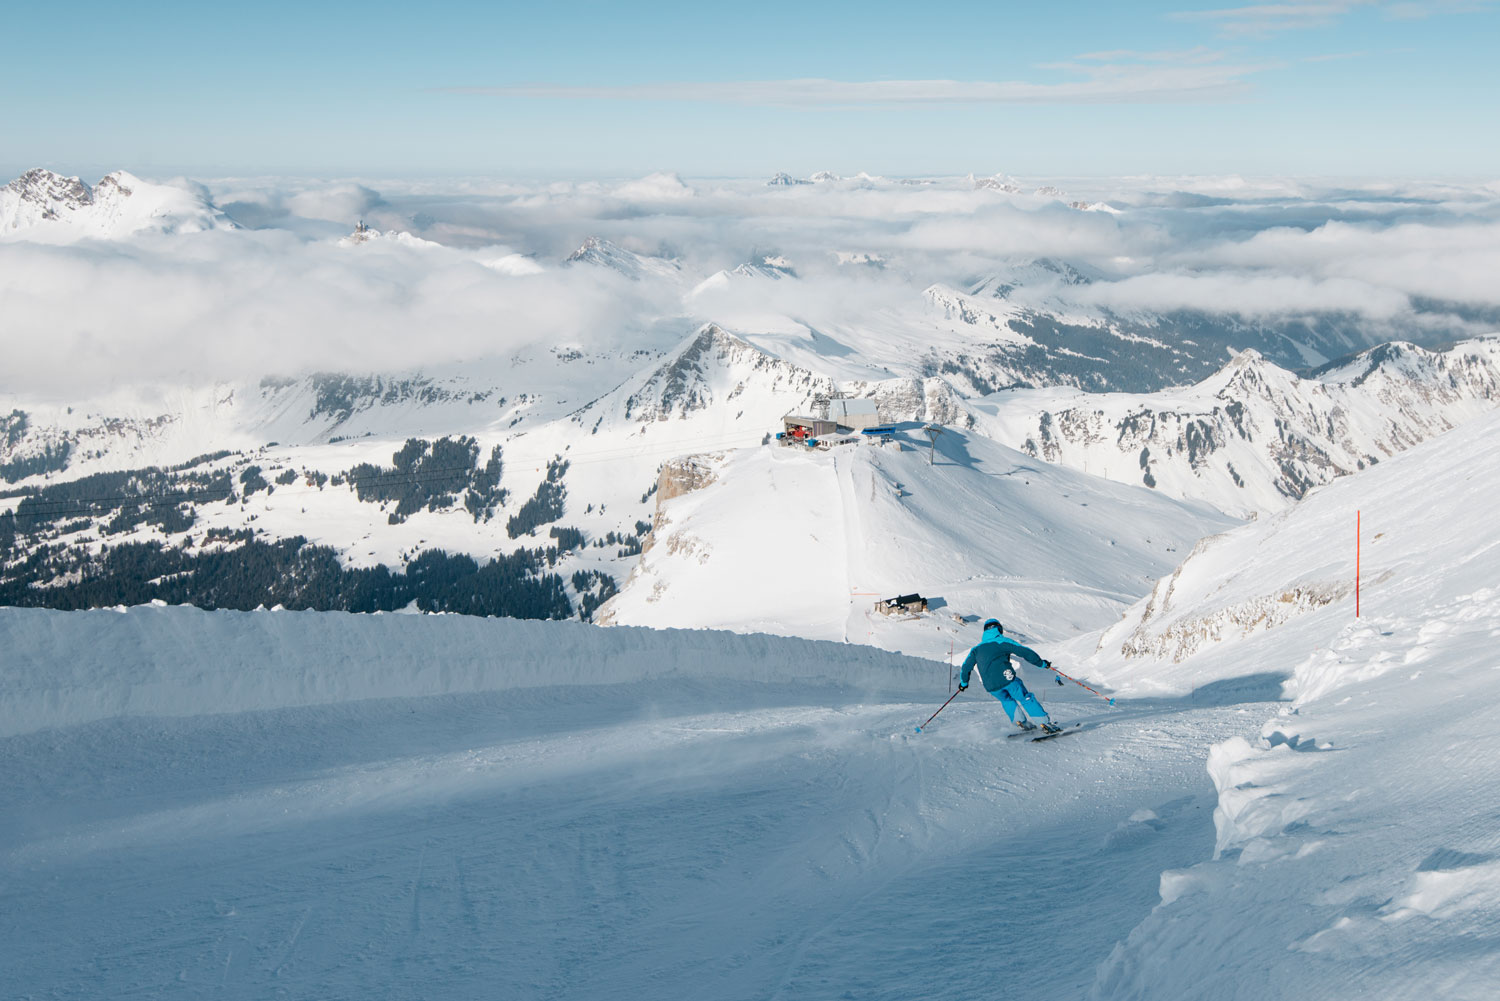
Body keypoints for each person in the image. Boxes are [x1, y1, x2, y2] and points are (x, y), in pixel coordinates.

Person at [957, 619, 1062, 733]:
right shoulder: (1001, 642)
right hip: (1007, 679)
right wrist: (1041, 663)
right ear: (999, 629)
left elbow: (966, 667)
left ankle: (1021, 723)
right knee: (1025, 697)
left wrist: (964, 683)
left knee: (1006, 700)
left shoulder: (976, 649)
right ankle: (1044, 723)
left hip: (990, 686)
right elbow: (1025, 652)